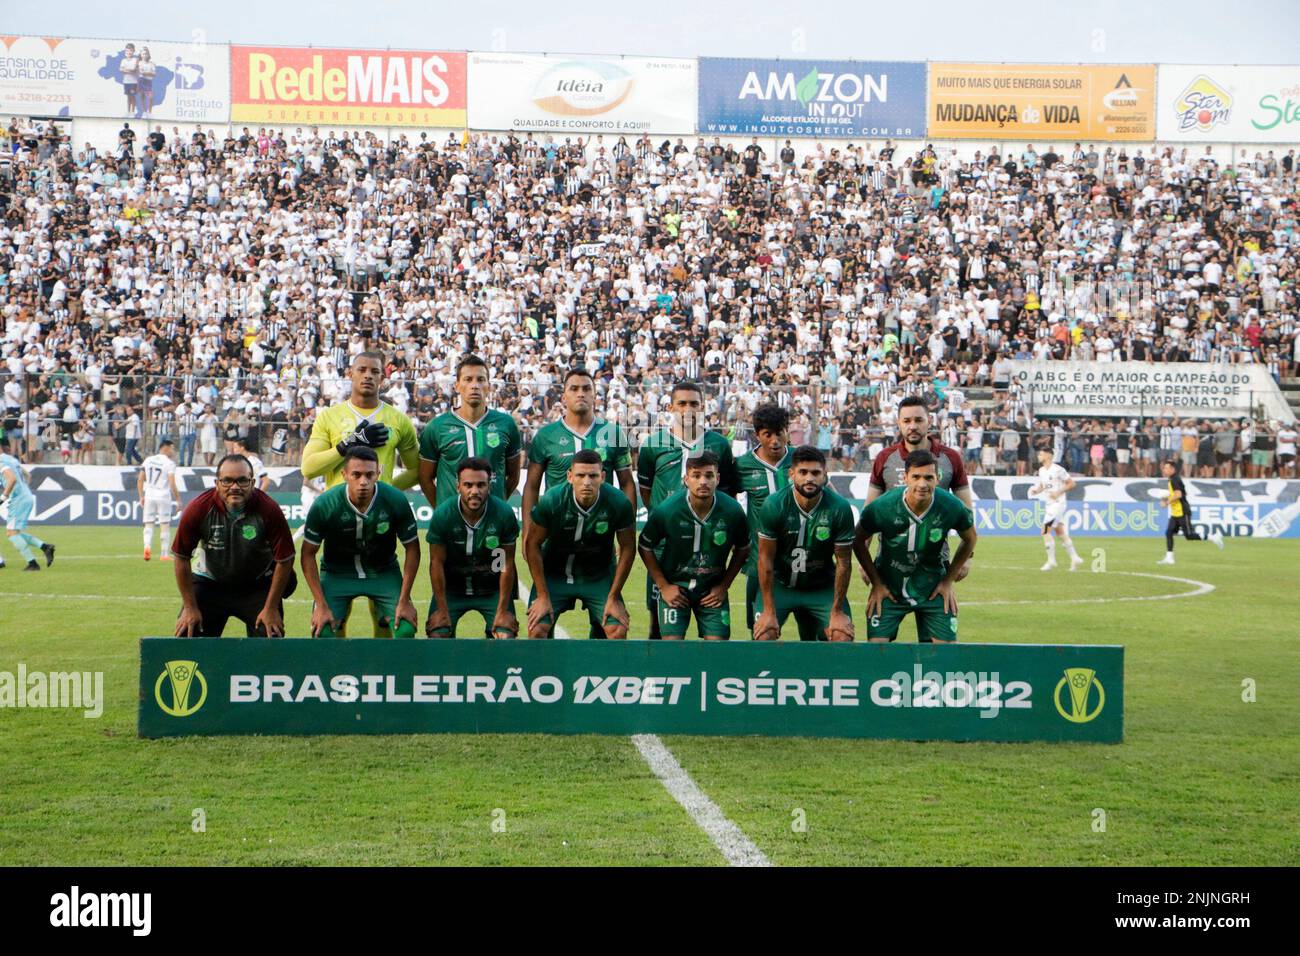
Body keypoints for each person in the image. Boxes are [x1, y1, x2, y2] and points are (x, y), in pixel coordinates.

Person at [637, 381, 740, 638]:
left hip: (708, 545)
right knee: (658, 623)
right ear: (671, 407)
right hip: (665, 548)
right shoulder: (653, 444)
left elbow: (727, 491)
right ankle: (659, 677)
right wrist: (662, 517)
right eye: (681, 403)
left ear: (702, 407)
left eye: (694, 404)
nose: (688, 409)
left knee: (712, 622)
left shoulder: (719, 445)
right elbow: (646, 488)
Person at [854, 449, 978, 644]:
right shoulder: (882, 507)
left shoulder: (951, 506)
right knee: (876, 651)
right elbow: (858, 539)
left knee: (946, 653)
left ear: (937, 479)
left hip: (933, 587)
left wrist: (948, 581)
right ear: (905, 478)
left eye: (928, 477)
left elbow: (970, 538)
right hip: (889, 588)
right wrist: (876, 582)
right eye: (916, 477)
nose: (922, 484)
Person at [300, 446, 421, 639]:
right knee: (323, 631)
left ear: (378, 473)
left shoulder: (395, 500)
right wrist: (320, 605)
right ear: (344, 474)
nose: (363, 481)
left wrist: (405, 599)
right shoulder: (325, 504)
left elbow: (413, 548)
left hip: (384, 572)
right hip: (337, 573)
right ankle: (338, 667)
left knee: (405, 630)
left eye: (369, 474)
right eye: (356, 474)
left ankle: (385, 666)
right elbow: (307, 554)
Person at [171, 453, 295, 637]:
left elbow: (285, 560)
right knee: (188, 632)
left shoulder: (269, 509)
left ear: (253, 483)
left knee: (270, 634)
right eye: (227, 481)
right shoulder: (198, 508)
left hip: (257, 584)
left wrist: (270, 608)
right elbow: (181, 557)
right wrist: (190, 607)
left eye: (242, 481)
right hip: (210, 583)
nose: (234, 487)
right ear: (217, 483)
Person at [524, 449, 636, 640]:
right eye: (580, 475)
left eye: (593, 476)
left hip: (598, 576)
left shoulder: (618, 503)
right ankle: (547, 669)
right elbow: (532, 544)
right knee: (537, 629)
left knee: (617, 630)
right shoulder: (552, 500)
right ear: (569, 477)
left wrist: (614, 596)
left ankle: (597, 666)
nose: (586, 482)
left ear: (602, 477)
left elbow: (628, 548)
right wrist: (542, 595)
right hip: (554, 574)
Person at [638, 451, 749, 641]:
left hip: (711, 591)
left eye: (709, 475)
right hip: (676, 588)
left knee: (718, 647)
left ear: (718, 478)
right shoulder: (667, 510)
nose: (703, 481)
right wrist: (664, 586)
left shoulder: (733, 511)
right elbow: (644, 546)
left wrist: (724, 586)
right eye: (696, 476)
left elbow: (744, 547)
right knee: (671, 647)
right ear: (686, 479)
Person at [865, 394, 974, 581]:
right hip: (889, 564)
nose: (912, 426)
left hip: (936, 564)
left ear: (929, 421)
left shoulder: (950, 458)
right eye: (906, 421)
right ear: (898, 423)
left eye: (918, 420)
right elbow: (869, 513)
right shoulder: (885, 458)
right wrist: (864, 561)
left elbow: (966, 511)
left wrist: (967, 557)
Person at [752, 446, 856, 642]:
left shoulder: (839, 508)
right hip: (781, 585)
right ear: (792, 474)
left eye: (816, 473)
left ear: (825, 475)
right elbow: (765, 559)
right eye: (803, 472)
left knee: (842, 635)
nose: (809, 478)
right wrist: (768, 610)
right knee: (765, 634)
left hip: (821, 586)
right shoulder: (774, 504)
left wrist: (837, 611)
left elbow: (844, 563)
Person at [425, 457, 519, 639]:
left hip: (491, 590)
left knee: (504, 634)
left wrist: (502, 611)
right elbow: (436, 563)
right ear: (457, 486)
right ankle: (450, 668)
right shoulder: (443, 515)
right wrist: (442, 610)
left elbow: (504, 564)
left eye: (481, 485)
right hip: (452, 590)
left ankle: (493, 668)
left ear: (489, 486)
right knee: (438, 632)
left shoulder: (503, 514)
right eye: (468, 485)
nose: (474, 491)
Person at [301, 350, 420, 491]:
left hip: (379, 512)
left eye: (374, 372)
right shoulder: (328, 416)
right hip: (340, 510)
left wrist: (386, 492)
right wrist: (348, 444)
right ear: (350, 374)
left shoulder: (400, 420)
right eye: (362, 370)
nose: (368, 376)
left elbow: (416, 471)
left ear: (382, 379)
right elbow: (308, 469)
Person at [418, 353, 523, 508]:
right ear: (457, 386)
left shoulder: (506, 424)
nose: (475, 385)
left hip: (492, 523)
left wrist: (497, 507)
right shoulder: (436, 427)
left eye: (480, 380)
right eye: (468, 379)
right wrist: (443, 511)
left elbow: (514, 476)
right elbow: (425, 478)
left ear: (488, 386)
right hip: (452, 524)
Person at [734, 402, 800, 635]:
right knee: (761, 631)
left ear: (787, 430)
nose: (774, 441)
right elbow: (729, 506)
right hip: (758, 560)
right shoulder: (742, 465)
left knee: (816, 635)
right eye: (767, 434)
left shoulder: (801, 461)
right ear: (757, 435)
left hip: (799, 558)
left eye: (779, 432)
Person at [0, 436, 55, 571]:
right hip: (26, 495)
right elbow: (27, 475)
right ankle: (45, 547)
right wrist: (23, 490)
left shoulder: (1, 461)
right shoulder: (11, 459)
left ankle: (33, 564)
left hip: (19, 498)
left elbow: (11, 479)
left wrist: (3, 497)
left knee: (12, 533)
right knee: (14, 532)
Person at [1158, 459, 1224, 565]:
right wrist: (1167, 498)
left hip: (1182, 512)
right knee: (1169, 532)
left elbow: (1178, 494)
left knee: (1189, 535)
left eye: (1166, 468)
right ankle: (1169, 558)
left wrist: (1167, 502)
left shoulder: (1175, 479)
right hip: (1176, 512)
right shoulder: (1172, 479)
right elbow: (1183, 493)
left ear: (1172, 469)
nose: (1164, 469)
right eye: (1164, 467)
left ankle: (1213, 537)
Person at [1028, 445, 1083, 571]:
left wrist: (1058, 492)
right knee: (1060, 532)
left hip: (1058, 503)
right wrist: (1037, 490)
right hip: (1050, 504)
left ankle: (1051, 561)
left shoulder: (1058, 470)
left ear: (1048, 455)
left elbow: (1071, 483)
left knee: (1045, 530)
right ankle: (1075, 558)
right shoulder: (1042, 470)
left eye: (1041, 454)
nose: (1038, 456)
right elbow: (1043, 484)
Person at [139, 439, 182, 562]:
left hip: (149, 494)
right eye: (172, 448)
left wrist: (141, 496)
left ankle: (147, 547)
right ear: (166, 448)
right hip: (163, 495)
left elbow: (140, 479)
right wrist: (178, 499)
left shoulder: (148, 460)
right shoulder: (169, 463)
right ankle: (164, 554)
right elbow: (172, 483)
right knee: (164, 524)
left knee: (148, 523)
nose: (173, 451)